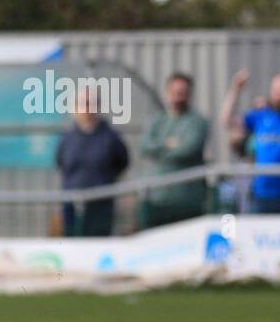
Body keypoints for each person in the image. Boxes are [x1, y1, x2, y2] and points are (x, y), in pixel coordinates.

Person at [55, 86, 129, 236]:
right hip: (72, 207)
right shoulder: (67, 137)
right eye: (83, 103)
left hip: (101, 205)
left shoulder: (110, 137)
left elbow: (122, 162)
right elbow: (60, 162)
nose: (87, 108)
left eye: (91, 103)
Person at [139, 73, 208, 228]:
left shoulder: (197, 122)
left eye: (182, 93)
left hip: (187, 201)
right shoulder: (157, 120)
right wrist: (168, 144)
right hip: (157, 199)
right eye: (175, 93)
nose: (178, 97)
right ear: (168, 93)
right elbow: (144, 146)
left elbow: (188, 149)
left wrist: (159, 148)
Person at [220, 69, 280, 214]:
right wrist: (235, 90)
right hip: (262, 194)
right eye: (276, 90)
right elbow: (227, 120)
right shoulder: (262, 116)